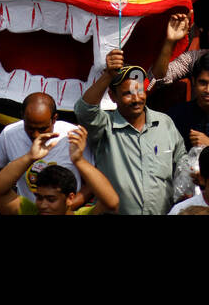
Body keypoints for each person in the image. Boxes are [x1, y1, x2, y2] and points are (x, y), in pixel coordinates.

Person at [73, 52, 188, 216]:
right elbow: (84, 111)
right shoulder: (104, 126)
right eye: (127, 93)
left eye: (139, 91)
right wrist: (108, 75)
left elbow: (181, 162)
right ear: (113, 97)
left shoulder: (165, 123)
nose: (136, 99)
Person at [0, 92, 93, 201]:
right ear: (22, 117)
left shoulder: (74, 137)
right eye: (30, 128)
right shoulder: (9, 134)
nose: (35, 135)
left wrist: (66, 208)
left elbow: (91, 183)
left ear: (54, 119)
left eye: (42, 129)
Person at [0, 124, 118, 216]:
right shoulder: (30, 212)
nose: (43, 205)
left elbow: (111, 203)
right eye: (39, 198)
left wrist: (79, 161)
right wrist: (29, 157)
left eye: (51, 199)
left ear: (70, 198)